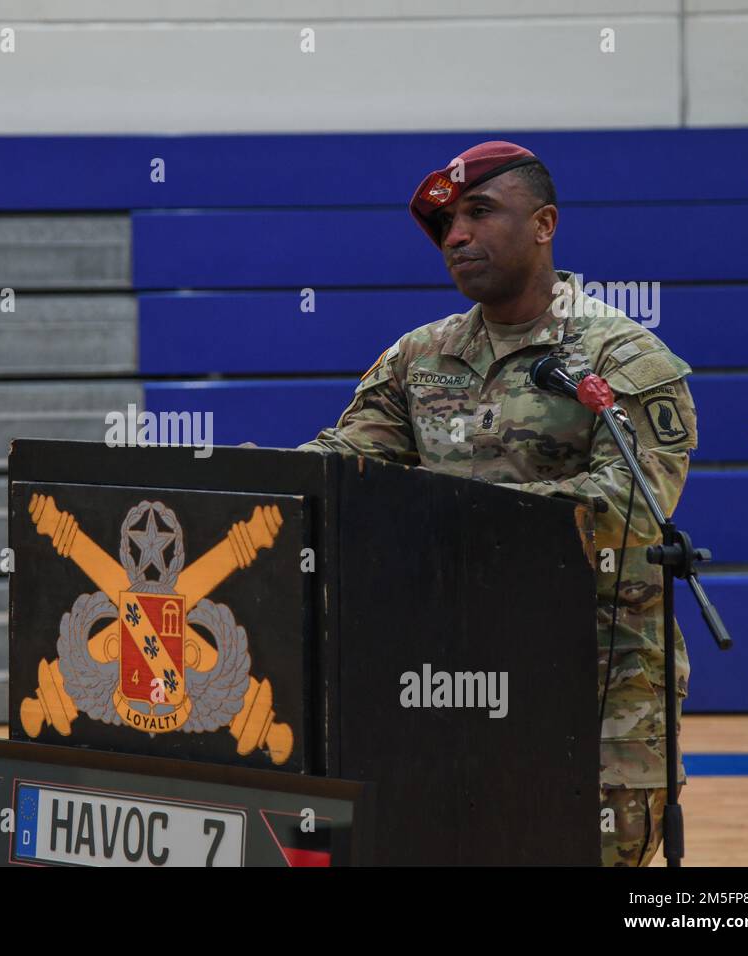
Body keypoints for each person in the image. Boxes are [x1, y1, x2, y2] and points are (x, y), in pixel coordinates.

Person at [300, 141, 696, 866]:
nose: (456, 237)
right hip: (452, 674)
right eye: (446, 223)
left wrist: (456, 519)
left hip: (597, 682)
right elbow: (343, 460)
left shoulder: (619, 357)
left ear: (543, 224)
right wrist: (250, 482)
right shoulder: (419, 358)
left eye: (479, 213)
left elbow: (628, 501)